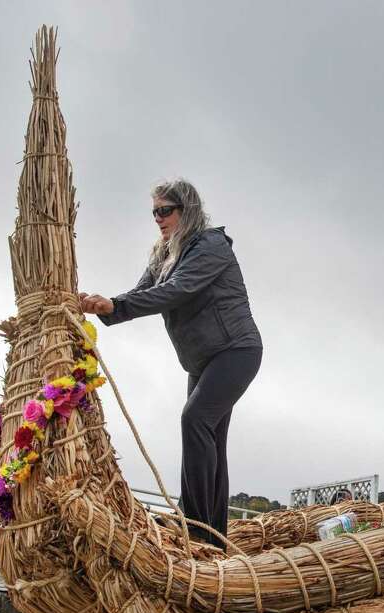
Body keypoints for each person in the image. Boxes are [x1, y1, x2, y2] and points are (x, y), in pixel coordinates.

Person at [80, 179, 262, 548]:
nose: (159, 219)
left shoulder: (210, 246)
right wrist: (105, 305)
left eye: (165, 211)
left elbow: (178, 290)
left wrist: (118, 306)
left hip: (235, 351)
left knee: (194, 420)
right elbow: (144, 291)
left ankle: (194, 526)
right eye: (154, 213)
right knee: (211, 437)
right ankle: (215, 535)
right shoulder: (165, 252)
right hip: (202, 359)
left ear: (187, 209)